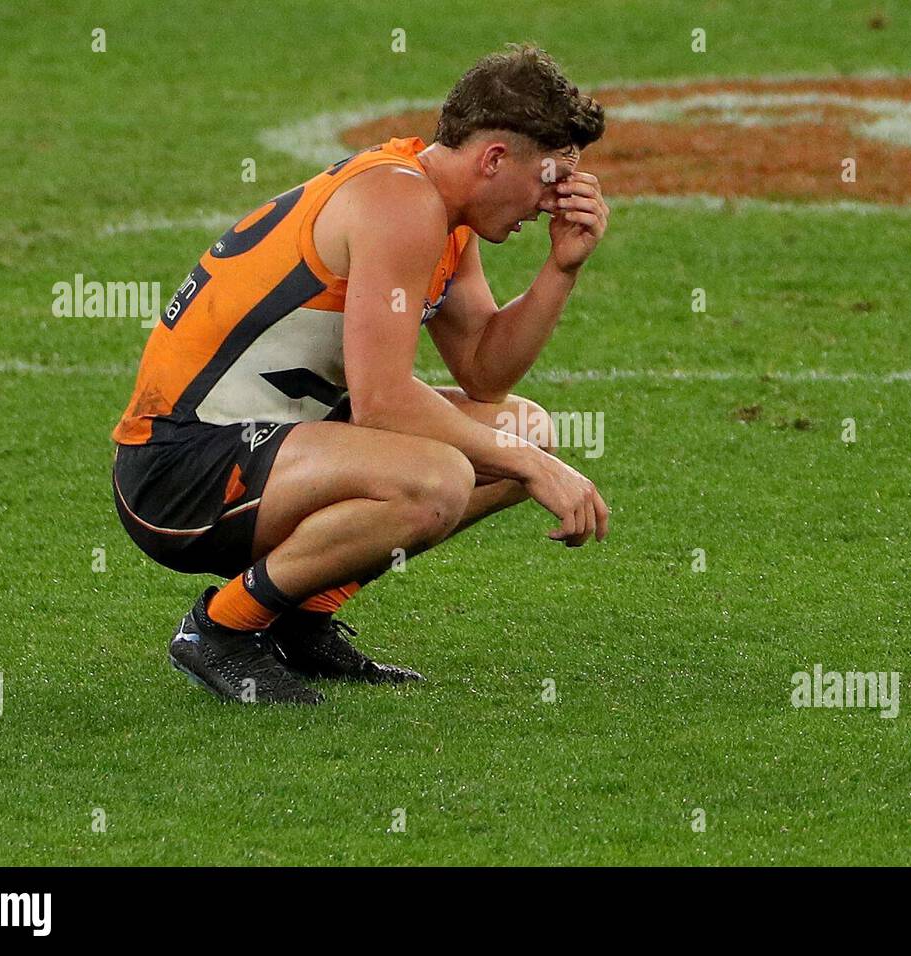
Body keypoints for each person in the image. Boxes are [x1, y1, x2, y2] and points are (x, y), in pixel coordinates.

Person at [110, 44, 611, 703]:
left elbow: (486, 373)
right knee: (438, 479)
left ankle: (301, 619)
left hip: (272, 441)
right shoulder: (400, 204)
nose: (553, 203)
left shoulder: (437, 207)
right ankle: (221, 630)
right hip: (177, 467)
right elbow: (381, 404)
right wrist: (534, 470)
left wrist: (560, 270)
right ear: (493, 158)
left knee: (523, 428)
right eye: (550, 179)